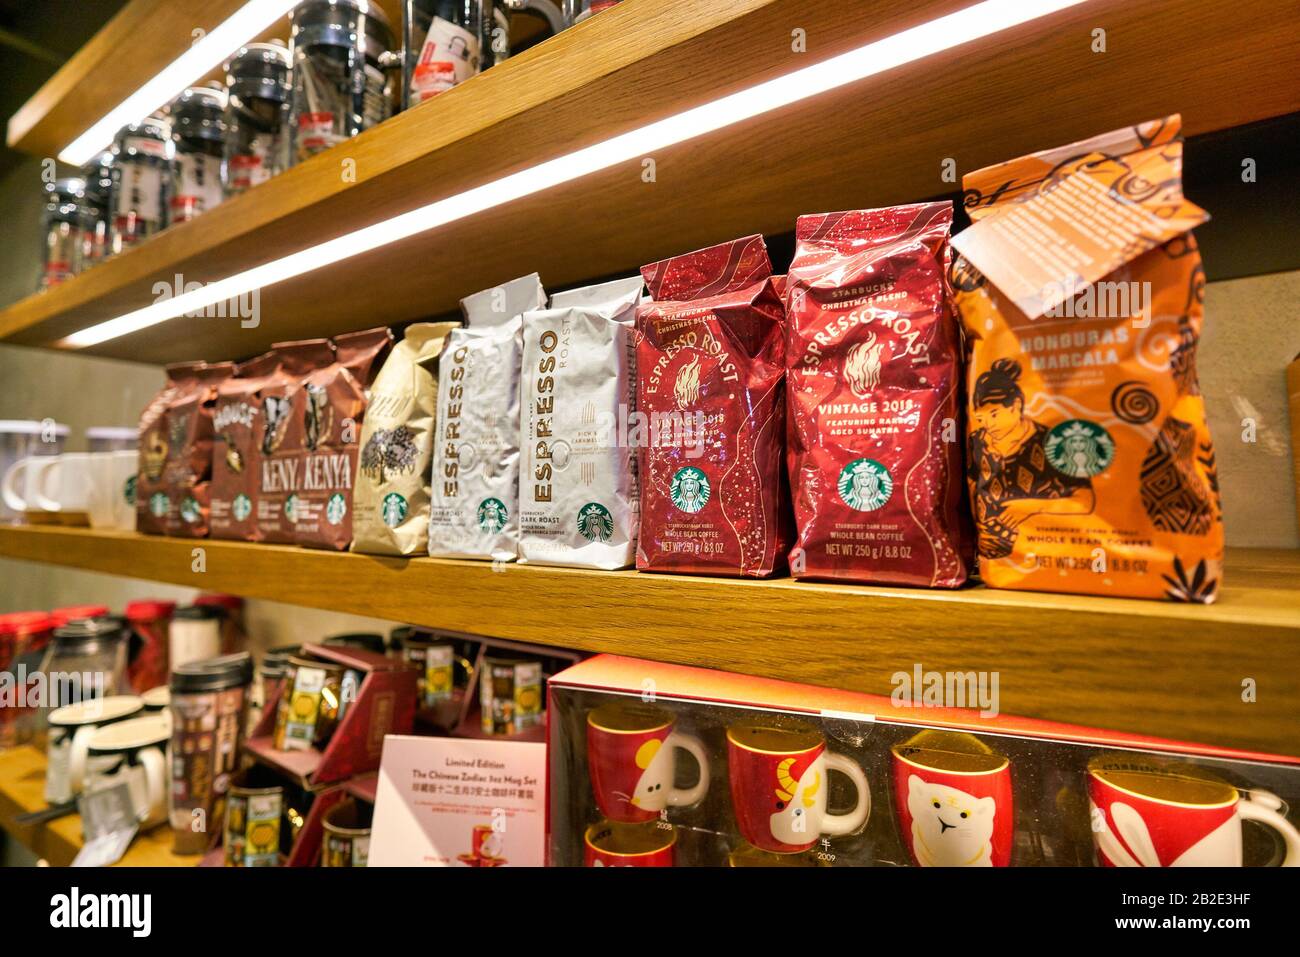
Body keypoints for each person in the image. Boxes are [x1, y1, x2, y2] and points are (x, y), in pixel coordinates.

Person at [968, 359, 1094, 558]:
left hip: (1052, 553)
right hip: (995, 563)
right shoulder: (977, 441)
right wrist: (977, 536)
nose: (989, 425)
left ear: (1016, 406)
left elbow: (1085, 501)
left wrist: (1030, 507)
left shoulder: (1051, 442)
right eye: (981, 419)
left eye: (994, 414)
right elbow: (972, 487)